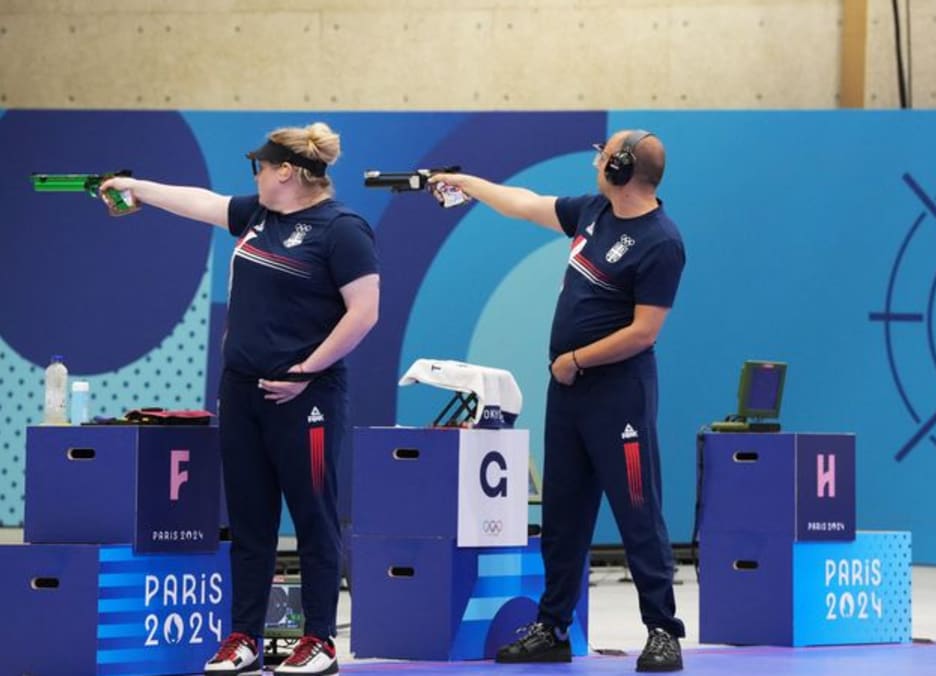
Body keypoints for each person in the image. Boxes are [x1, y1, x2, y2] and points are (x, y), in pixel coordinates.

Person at [102, 122, 380, 676]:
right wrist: (136, 188)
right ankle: (243, 637)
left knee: (313, 519)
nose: (252, 174)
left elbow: (364, 312)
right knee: (250, 523)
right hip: (243, 392)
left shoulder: (341, 229)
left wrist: (307, 369)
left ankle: (319, 639)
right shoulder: (257, 216)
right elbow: (202, 202)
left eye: (260, 165)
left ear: (285, 172)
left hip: (309, 398)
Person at [432, 129, 686, 672]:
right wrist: (467, 184)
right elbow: (525, 205)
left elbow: (645, 332)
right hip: (569, 392)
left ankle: (663, 630)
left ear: (620, 167)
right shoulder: (593, 211)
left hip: (618, 394)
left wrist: (577, 360)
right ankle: (552, 627)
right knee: (564, 515)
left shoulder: (662, 241)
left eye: (604, 154)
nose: (596, 160)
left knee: (638, 511)